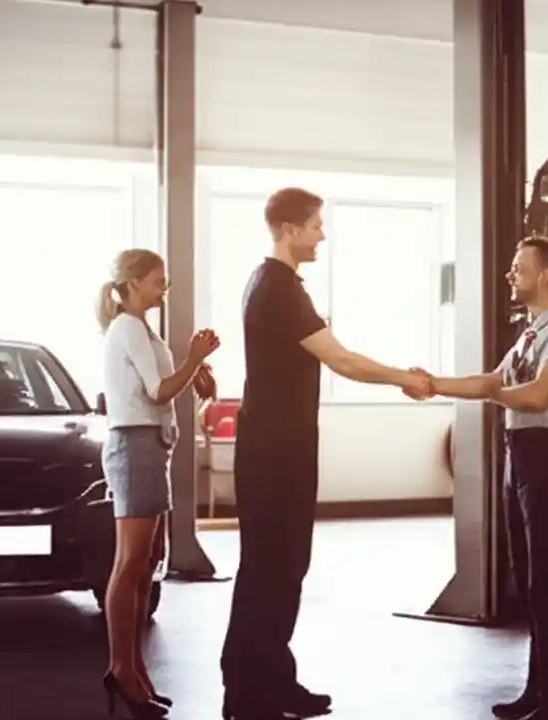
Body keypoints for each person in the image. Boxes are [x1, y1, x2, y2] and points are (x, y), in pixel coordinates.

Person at [219, 187, 434, 720]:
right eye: (315, 226)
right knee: (273, 567)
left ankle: (272, 679)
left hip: (277, 444)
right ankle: (247, 694)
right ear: (289, 230)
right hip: (276, 451)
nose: (322, 235)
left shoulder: (275, 283)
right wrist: (403, 378)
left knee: (283, 565)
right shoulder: (278, 289)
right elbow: (341, 360)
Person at [409, 235, 548, 720]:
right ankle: (539, 693)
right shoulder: (533, 332)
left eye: (519, 267)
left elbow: (538, 396)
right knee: (533, 583)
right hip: (522, 456)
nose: (510, 275)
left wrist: (495, 395)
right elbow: (490, 381)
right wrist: (434, 385)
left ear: (547, 274)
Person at [97, 248, 220, 720]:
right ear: (132, 283)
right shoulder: (127, 327)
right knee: (130, 564)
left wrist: (196, 371)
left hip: (150, 448)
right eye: (156, 281)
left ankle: (133, 670)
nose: (163, 288)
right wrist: (194, 357)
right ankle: (122, 671)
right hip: (135, 447)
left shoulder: (142, 329)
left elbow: (165, 383)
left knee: (145, 561)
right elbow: (158, 391)